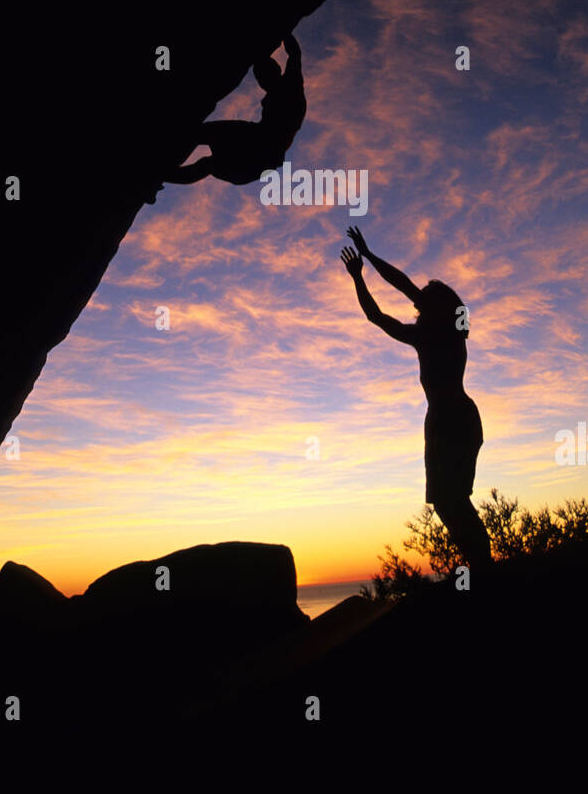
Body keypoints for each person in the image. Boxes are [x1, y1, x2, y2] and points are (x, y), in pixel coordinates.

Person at [340, 225, 491, 570]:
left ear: (437, 308)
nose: (417, 300)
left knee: (450, 501)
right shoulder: (444, 333)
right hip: (455, 419)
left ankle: (483, 567)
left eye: (425, 298)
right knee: (452, 501)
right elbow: (390, 300)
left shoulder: (438, 334)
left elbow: (384, 308)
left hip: (450, 420)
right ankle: (481, 565)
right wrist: (365, 261)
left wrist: (361, 272)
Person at [165, 35, 306, 186]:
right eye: (260, 79)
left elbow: (294, 53)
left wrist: (284, 32)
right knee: (207, 159)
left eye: (263, 76)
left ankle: (160, 175)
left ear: (275, 70)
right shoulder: (287, 85)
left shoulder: (291, 83)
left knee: (204, 142)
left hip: (261, 146)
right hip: (263, 153)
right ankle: (161, 175)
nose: (262, 83)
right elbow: (293, 54)